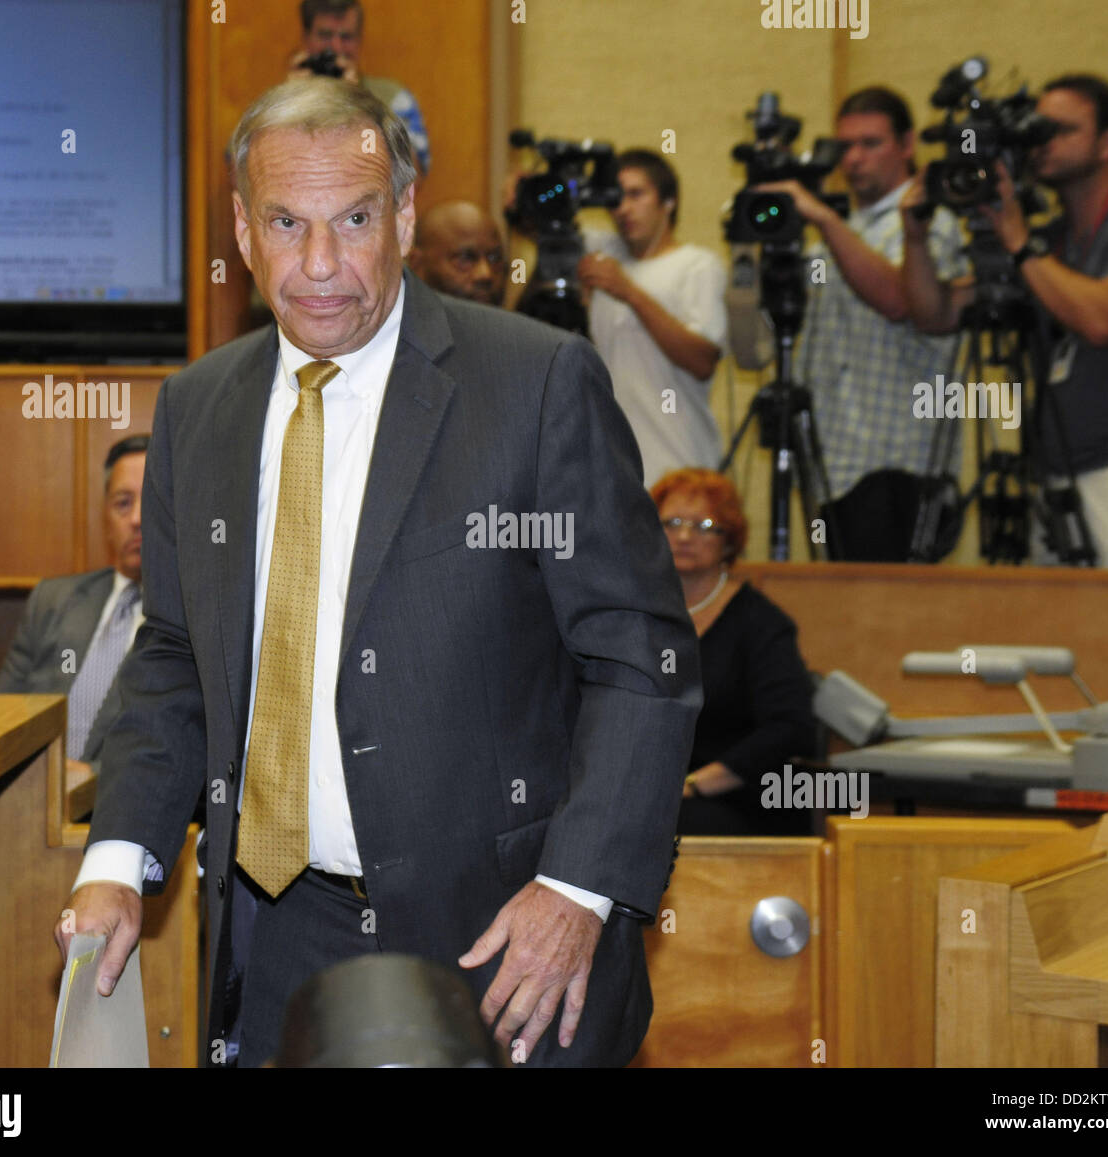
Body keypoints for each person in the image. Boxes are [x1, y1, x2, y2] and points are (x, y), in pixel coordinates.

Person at [55, 77, 701, 1070]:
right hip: (276, 939)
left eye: (354, 219)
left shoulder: (534, 383)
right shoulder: (199, 409)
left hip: (503, 940)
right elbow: (178, 653)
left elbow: (639, 654)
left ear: (402, 212)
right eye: (285, 222)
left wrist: (577, 890)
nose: (320, 266)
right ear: (241, 226)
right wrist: (115, 857)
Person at [901, 73, 1108, 568]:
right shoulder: (1050, 239)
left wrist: (1020, 243)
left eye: (1061, 130)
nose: (1042, 143)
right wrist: (915, 240)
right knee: (1054, 631)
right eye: (1036, 131)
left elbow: (1103, 320)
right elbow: (935, 314)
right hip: (1053, 473)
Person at [756, 87, 967, 561]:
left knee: (887, 618)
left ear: (908, 144)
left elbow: (897, 300)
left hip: (899, 467)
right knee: (846, 617)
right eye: (844, 146)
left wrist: (824, 220)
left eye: (870, 143)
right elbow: (763, 339)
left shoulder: (931, 221)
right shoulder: (838, 234)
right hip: (834, 460)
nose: (853, 159)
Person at [651, 469, 817, 835]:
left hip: (737, 795)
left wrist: (692, 786)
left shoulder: (760, 623)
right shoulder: (631, 612)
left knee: (654, 830)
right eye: (672, 522)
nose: (683, 536)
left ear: (729, 541)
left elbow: (792, 728)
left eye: (705, 525)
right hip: (648, 791)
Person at [0, 435, 148, 784]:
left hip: (119, 812)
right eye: (123, 503)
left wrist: (91, 776)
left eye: (152, 502)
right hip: (27, 796)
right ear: (104, 516)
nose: (137, 518)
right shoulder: (53, 600)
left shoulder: (196, 617)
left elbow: (194, 750)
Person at [576, 150, 727, 489]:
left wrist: (629, 291)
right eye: (616, 197)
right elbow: (538, 222)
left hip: (679, 467)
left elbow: (702, 360)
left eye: (636, 194)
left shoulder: (698, 266)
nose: (623, 208)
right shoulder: (605, 252)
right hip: (614, 473)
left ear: (669, 201)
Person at [289, 0, 431, 177]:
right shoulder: (281, 104)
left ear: (359, 40)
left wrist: (360, 105)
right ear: (306, 37)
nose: (335, 47)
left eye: (346, 37)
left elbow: (411, 178)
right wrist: (289, 102)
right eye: (325, 35)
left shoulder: (394, 98)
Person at [408, 200, 507, 307]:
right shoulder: (396, 322)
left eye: (494, 258)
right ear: (416, 264)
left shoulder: (516, 322)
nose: (485, 274)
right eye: (465, 259)